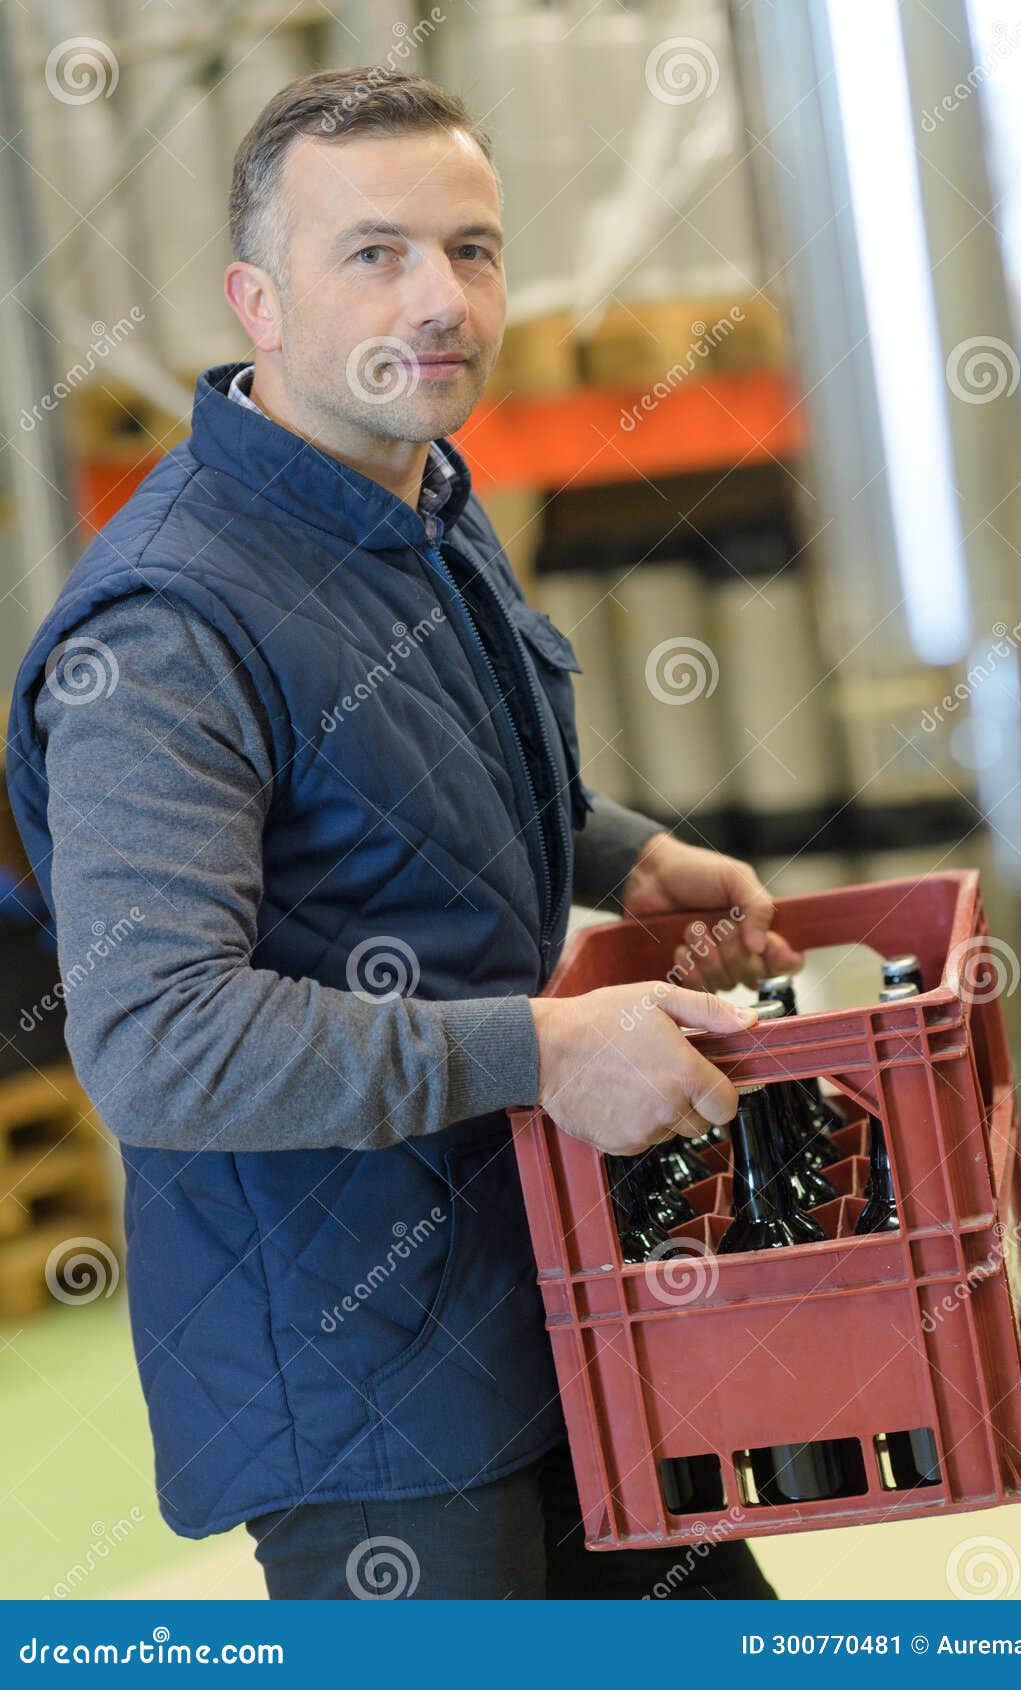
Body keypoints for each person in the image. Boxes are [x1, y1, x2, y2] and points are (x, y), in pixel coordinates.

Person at [5, 67, 801, 1600]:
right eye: (373, 252)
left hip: (543, 1288)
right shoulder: (166, 628)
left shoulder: (412, 488)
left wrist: (619, 854)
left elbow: (404, 769)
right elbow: (158, 1038)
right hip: (368, 1401)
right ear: (258, 298)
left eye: (472, 249)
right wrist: (546, 1050)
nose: (439, 298)